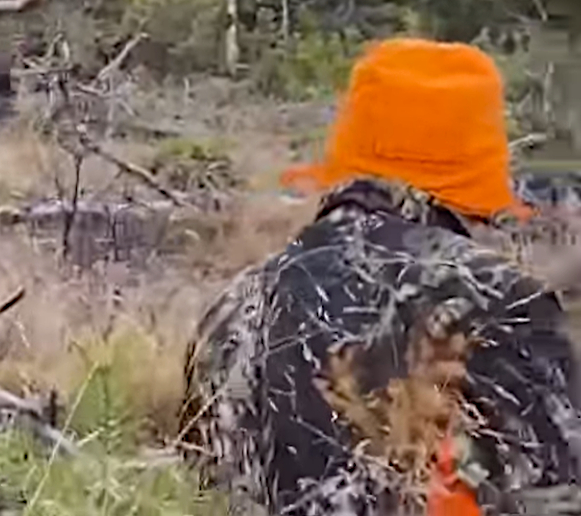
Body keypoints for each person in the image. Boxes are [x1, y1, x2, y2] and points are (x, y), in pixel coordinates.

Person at [182, 37, 581, 516]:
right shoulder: (497, 302)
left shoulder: (232, 308)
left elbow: (202, 490)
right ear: (472, 167)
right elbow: (559, 496)